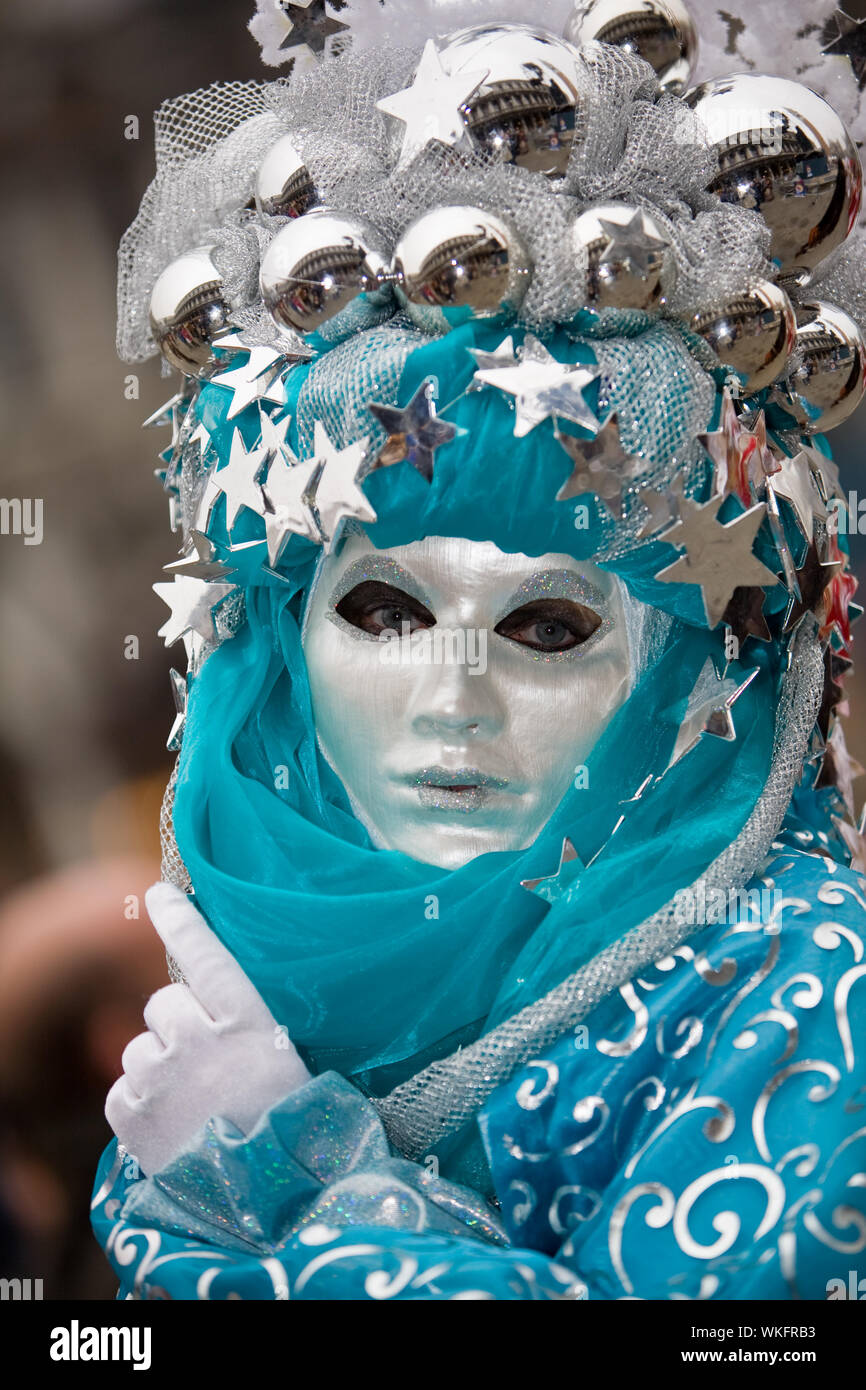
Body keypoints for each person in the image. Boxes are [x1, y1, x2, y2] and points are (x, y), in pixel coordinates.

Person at [91, 1, 866, 1300]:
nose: (451, 695)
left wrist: (301, 1184)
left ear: (695, 672)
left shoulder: (806, 1002)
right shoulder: (250, 998)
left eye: (549, 626)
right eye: (383, 611)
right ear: (275, 651)